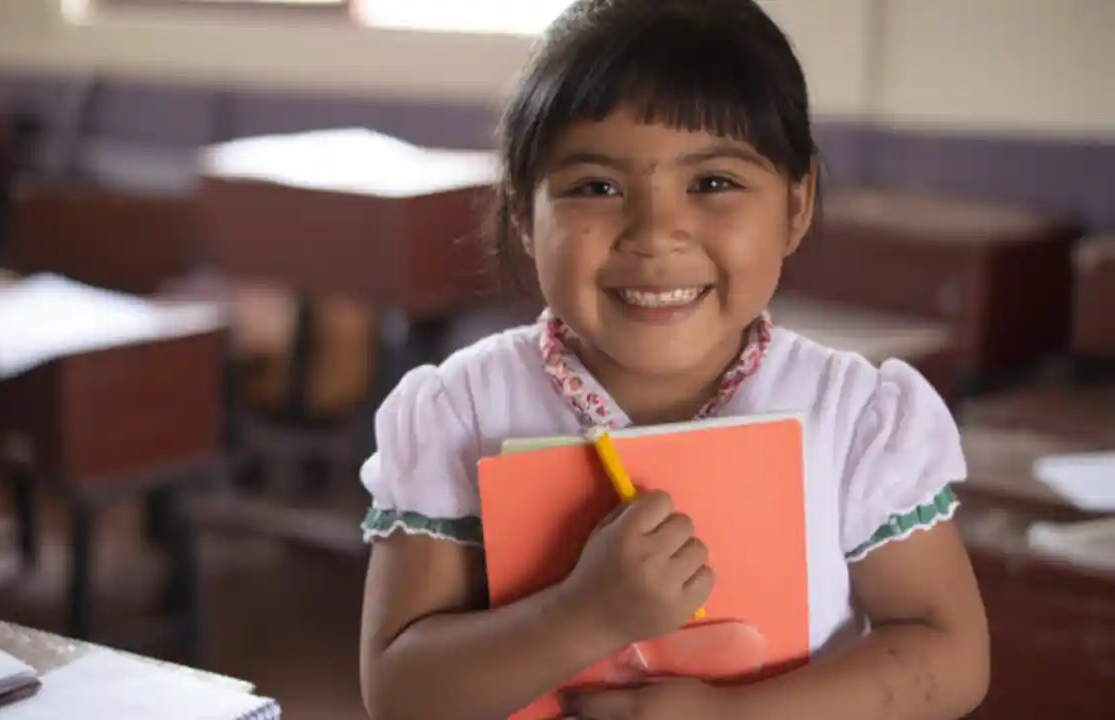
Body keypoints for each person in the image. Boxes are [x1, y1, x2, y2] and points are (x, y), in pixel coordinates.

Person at [358, 1, 990, 718]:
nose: (656, 236)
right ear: (523, 219)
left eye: (713, 183)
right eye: (597, 187)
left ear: (797, 203)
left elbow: (949, 653)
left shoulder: (854, 419)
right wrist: (583, 616)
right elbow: (400, 696)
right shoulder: (460, 412)